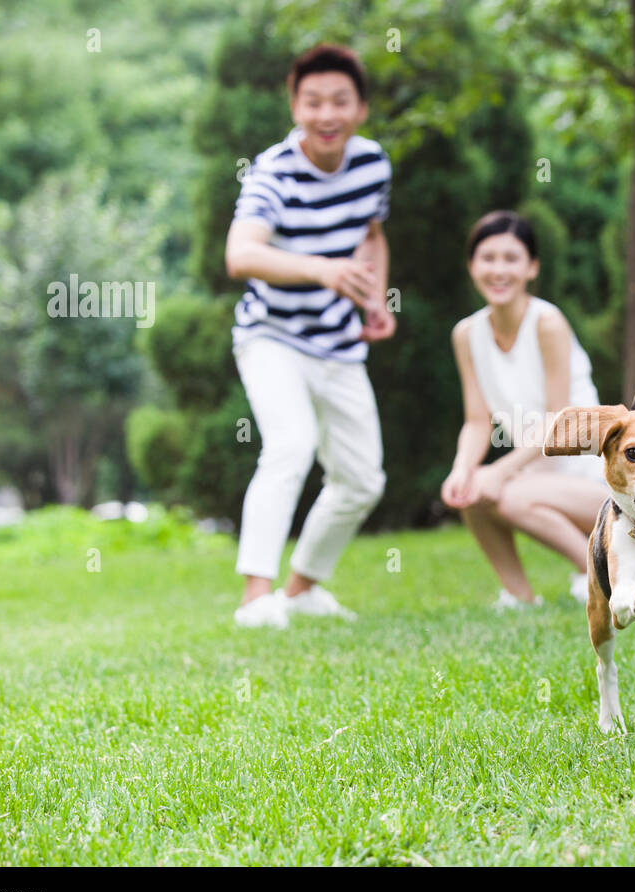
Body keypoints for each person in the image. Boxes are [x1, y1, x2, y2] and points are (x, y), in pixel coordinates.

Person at [223, 43, 394, 629]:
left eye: (339, 102)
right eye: (313, 101)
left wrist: (374, 298)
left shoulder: (372, 163)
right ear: (294, 105)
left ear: (361, 109)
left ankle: (300, 590)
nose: (326, 114)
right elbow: (240, 254)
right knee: (290, 445)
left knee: (362, 479)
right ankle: (255, 598)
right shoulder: (272, 172)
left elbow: (372, 233)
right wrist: (323, 269)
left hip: (339, 343)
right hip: (270, 336)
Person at [441, 211, 610, 608]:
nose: (499, 270)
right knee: (473, 490)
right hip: (535, 478)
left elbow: (559, 421)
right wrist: (462, 470)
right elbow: (476, 421)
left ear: (532, 268)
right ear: (471, 266)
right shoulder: (467, 334)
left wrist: (502, 471)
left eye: (511, 259)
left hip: (598, 483)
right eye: (487, 258)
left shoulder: (547, 322)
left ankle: (599, 574)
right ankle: (518, 597)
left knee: (504, 493)